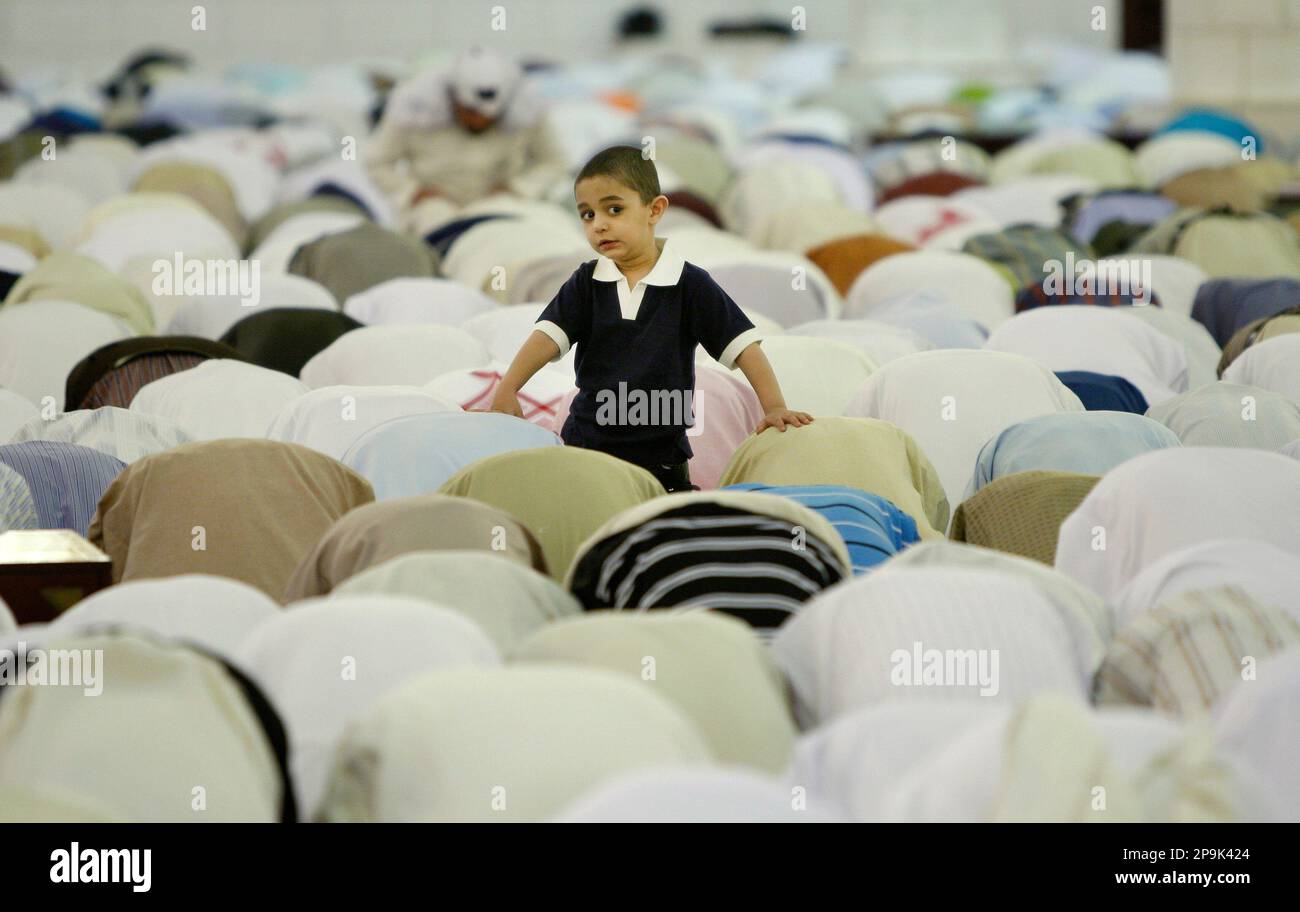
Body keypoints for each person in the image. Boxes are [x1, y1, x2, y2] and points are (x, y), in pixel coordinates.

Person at [488, 145, 812, 493]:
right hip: (587, 449)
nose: (600, 225)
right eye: (587, 214)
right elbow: (546, 339)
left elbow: (745, 346)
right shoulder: (586, 281)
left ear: (655, 209)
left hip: (662, 461)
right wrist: (507, 389)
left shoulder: (690, 284)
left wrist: (775, 406)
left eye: (614, 209)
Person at [364, 46, 568, 233]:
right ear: (453, 96)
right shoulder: (414, 108)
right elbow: (377, 161)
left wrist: (519, 188)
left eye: (489, 117)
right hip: (434, 206)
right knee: (437, 223)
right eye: (470, 112)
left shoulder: (527, 109)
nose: (478, 121)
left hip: (502, 202)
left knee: (544, 227)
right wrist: (411, 192)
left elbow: (555, 161)